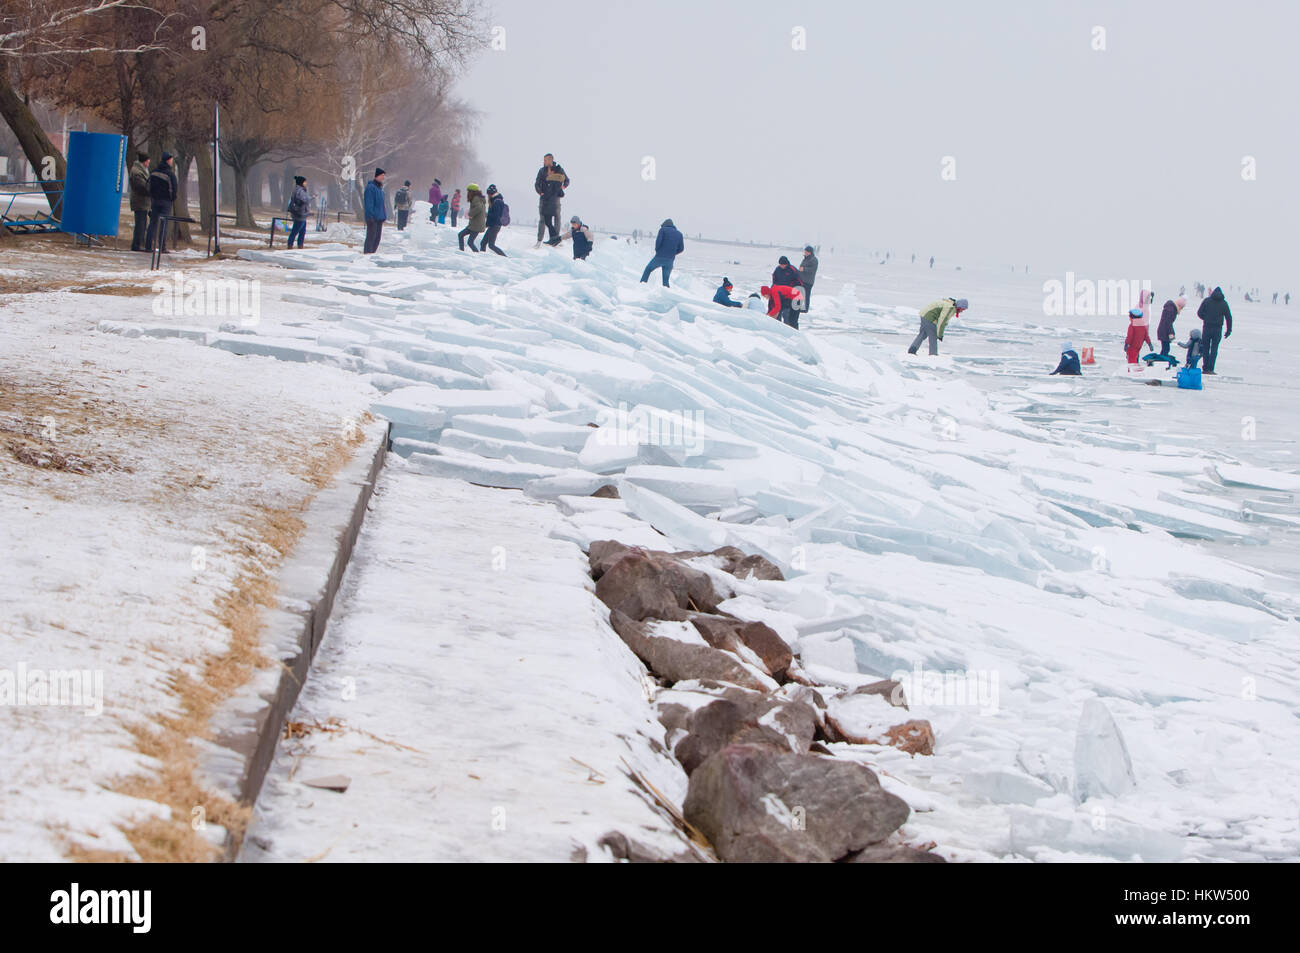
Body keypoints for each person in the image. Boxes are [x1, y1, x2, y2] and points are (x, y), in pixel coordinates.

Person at [145, 151, 178, 254]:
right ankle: (162, 247)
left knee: (152, 224)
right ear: (168, 160)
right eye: (171, 160)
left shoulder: (154, 172)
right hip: (166, 202)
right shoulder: (170, 174)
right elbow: (174, 188)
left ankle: (148, 246)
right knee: (164, 224)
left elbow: (148, 186)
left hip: (155, 201)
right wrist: (171, 198)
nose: (172, 162)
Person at [534, 153, 569, 246]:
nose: (544, 162)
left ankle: (555, 239)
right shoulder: (541, 171)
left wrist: (562, 188)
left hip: (555, 198)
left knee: (557, 217)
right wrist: (540, 192)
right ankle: (539, 240)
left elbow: (567, 181)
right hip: (544, 198)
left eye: (545, 160)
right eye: (544, 160)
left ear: (551, 160)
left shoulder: (559, 169)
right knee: (543, 218)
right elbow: (536, 183)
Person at [1196, 286, 1232, 374]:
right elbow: (1229, 318)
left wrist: (1206, 318)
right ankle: (1211, 369)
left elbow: (1199, 313)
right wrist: (1228, 330)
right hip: (1217, 329)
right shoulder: (1224, 304)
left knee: (1205, 348)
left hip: (1207, 327)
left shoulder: (1207, 301)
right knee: (1214, 349)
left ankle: (1205, 368)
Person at [640, 218, 684, 286]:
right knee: (665, 280)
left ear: (665, 225)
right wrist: (672, 253)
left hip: (660, 257)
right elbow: (681, 249)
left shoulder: (663, 230)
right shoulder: (680, 234)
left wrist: (658, 250)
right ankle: (666, 294)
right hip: (670, 260)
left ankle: (642, 285)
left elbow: (658, 242)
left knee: (648, 269)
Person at [128, 152, 150, 251]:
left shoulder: (141, 170)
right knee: (140, 224)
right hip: (139, 201)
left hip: (143, 202)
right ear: (144, 161)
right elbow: (141, 187)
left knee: (142, 223)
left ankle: (139, 244)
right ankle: (136, 245)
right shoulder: (137, 172)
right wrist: (151, 190)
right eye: (148, 161)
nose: (149, 163)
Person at [362, 168, 387, 254]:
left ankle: (372, 254)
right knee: (371, 238)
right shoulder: (371, 188)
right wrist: (370, 217)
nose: (384, 177)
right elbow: (369, 203)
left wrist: (384, 215)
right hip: (373, 218)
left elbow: (382, 204)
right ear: (378, 176)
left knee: (377, 239)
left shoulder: (380, 190)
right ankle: (367, 254)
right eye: (382, 175)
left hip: (379, 218)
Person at [480, 184, 507, 256]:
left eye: (488, 194)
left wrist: (486, 214)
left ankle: (505, 257)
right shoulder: (495, 200)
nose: (487, 196)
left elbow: (496, 215)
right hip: (493, 225)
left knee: (491, 245)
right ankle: (481, 258)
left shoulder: (497, 201)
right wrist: (486, 224)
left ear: (490, 193)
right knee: (483, 243)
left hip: (495, 226)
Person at [458, 183, 485, 251]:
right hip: (473, 225)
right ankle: (461, 251)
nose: (467, 193)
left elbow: (478, 208)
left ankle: (477, 255)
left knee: (470, 242)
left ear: (472, 192)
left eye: (469, 191)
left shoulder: (476, 199)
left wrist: (471, 214)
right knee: (461, 235)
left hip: (476, 226)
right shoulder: (478, 198)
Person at [286, 175, 309, 248]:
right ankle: (290, 245)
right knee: (295, 230)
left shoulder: (298, 190)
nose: (306, 183)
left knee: (302, 231)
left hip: (302, 213)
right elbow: (303, 200)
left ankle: (300, 245)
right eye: (305, 182)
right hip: (300, 213)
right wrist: (308, 199)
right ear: (301, 182)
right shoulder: (300, 190)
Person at [799, 245, 819, 312]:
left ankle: (805, 309)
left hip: (808, 281)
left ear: (809, 252)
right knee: (801, 294)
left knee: (806, 295)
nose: (804, 252)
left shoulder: (814, 260)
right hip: (802, 280)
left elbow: (813, 269)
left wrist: (804, 269)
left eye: (806, 251)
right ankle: (800, 307)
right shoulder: (805, 259)